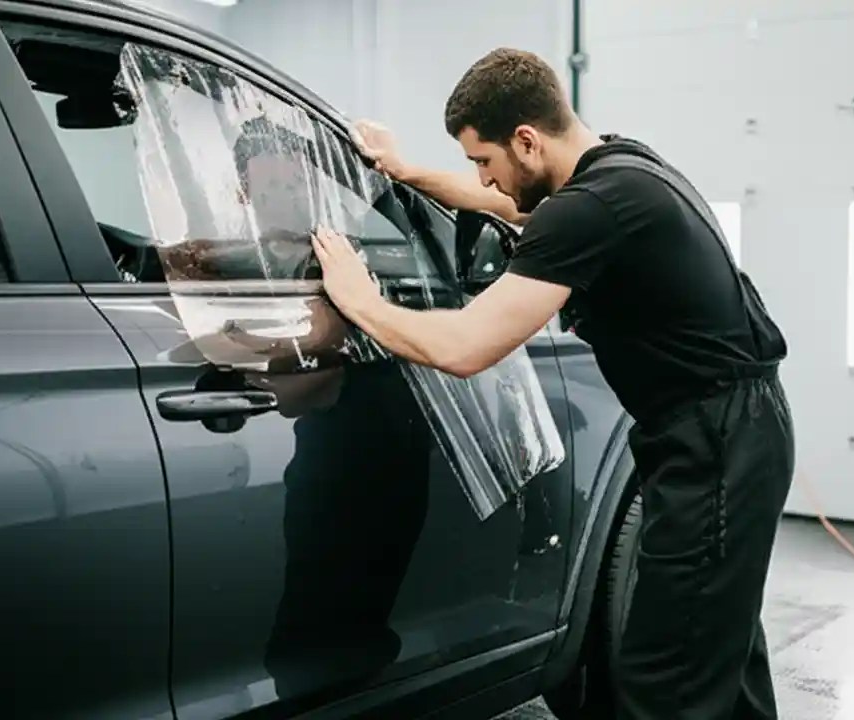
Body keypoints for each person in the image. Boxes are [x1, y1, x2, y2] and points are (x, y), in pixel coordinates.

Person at [309, 47, 795, 720]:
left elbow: (464, 346)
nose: (486, 180)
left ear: (527, 141)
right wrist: (406, 170)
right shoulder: (619, 168)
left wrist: (358, 299)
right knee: (720, 655)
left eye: (485, 159)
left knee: (668, 679)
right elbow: (506, 204)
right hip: (738, 430)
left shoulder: (589, 208)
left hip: (716, 444)